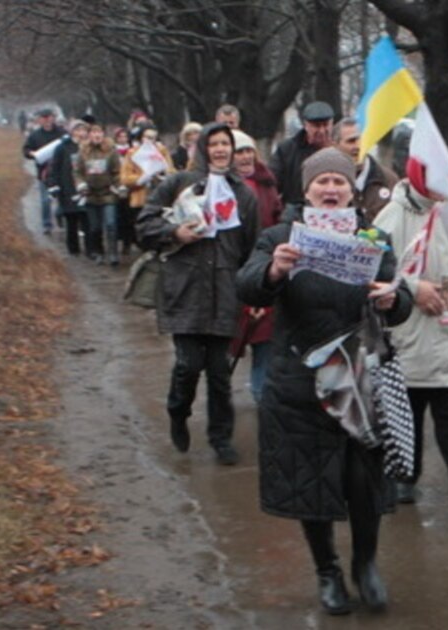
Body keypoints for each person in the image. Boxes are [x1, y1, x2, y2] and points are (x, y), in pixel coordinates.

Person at [236, 147, 413, 615]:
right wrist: (275, 269)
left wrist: (390, 300)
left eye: (339, 181)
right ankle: (327, 571)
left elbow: (402, 296)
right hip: (300, 380)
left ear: (352, 189)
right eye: (322, 182)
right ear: (306, 189)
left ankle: (366, 565)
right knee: (311, 483)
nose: (331, 189)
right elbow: (247, 284)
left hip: (360, 379)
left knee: (363, 482)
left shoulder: (373, 236)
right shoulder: (280, 236)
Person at [136, 122, 260, 467]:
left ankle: (221, 437)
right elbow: (144, 224)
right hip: (185, 290)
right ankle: (178, 409)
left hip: (225, 293)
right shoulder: (178, 184)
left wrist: (256, 296)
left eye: (226, 144)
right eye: (214, 144)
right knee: (189, 364)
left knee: (220, 371)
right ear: (202, 148)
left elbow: (252, 249)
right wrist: (175, 231)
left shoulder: (243, 195)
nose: (221, 150)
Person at [373, 159, 448, 520]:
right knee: (407, 415)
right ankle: (405, 477)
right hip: (408, 333)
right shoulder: (388, 217)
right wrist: (413, 289)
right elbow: (374, 271)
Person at [228, 129, 282, 403]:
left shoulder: (266, 183)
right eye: (239, 152)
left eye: (249, 150)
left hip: (264, 269)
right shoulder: (220, 187)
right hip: (232, 274)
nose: (246, 156)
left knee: (264, 338)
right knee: (231, 342)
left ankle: (262, 397)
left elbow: (277, 218)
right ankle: (221, 399)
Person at [120, 125, 176, 254]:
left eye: (154, 138)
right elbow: (125, 178)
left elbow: (171, 170)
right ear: (141, 138)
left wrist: (163, 173)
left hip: (160, 197)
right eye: (148, 137)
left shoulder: (162, 151)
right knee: (142, 231)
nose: (151, 141)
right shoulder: (132, 153)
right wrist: (143, 177)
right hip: (140, 197)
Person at [270, 101, 335, 212]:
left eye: (325, 125)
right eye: (316, 126)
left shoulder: (341, 149)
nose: (322, 131)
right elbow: (272, 183)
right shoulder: (287, 150)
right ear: (305, 125)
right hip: (296, 213)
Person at [331, 117, 398, 221]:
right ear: (335, 145)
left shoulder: (389, 180)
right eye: (351, 141)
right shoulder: (328, 182)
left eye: (362, 139)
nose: (358, 146)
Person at [78, 124, 122, 265]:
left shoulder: (111, 151)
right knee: (95, 227)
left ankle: (113, 253)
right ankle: (98, 252)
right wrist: (81, 184)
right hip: (90, 194)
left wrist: (118, 185)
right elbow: (78, 172)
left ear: (103, 135)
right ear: (89, 135)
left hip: (108, 193)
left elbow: (117, 171)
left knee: (110, 224)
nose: (97, 136)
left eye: (100, 133)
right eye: (94, 133)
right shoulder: (83, 152)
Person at [47, 120, 89, 255]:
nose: (81, 133)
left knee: (88, 220)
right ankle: (73, 248)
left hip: (87, 187)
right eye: (78, 130)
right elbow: (55, 168)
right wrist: (54, 184)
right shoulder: (62, 147)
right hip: (68, 188)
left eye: (83, 130)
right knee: (72, 220)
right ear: (72, 131)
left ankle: (90, 248)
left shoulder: (89, 146)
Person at [22, 108, 65, 235]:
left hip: (61, 171)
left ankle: (60, 215)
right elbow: (26, 150)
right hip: (44, 172)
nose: (47, 120)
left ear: (53, 118)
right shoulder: (35, 135)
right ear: (39, 120)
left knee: (63, 199)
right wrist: (31, 153)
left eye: (49, 117)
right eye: (44, 117)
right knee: (45, 200)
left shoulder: (62, 133)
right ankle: (47, 224)